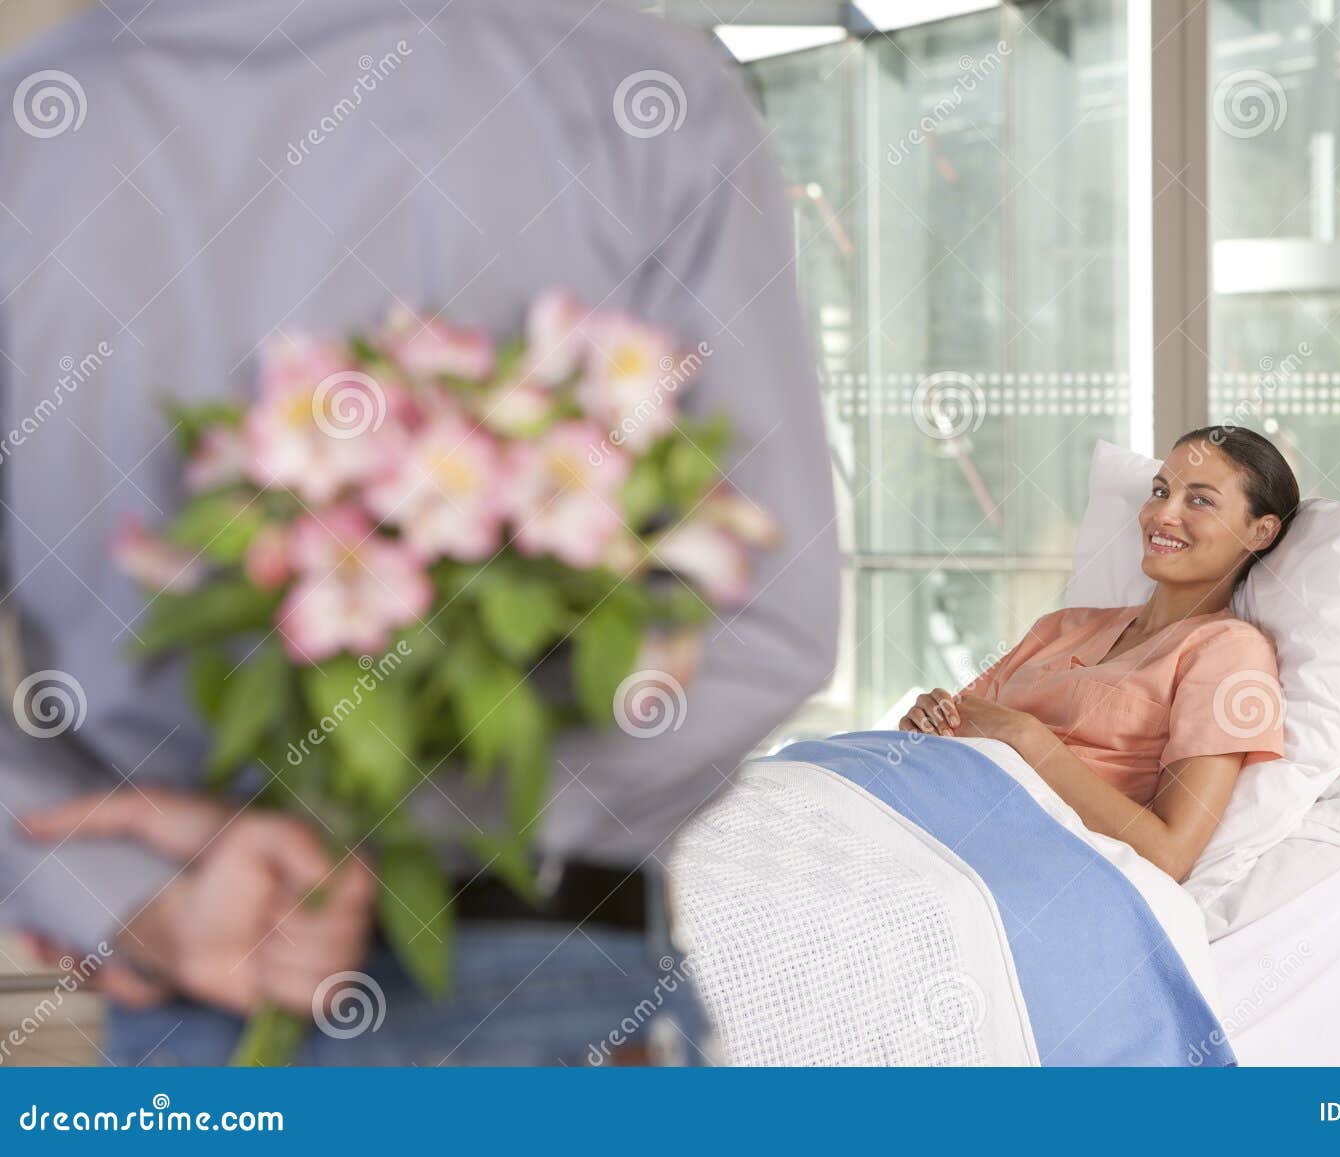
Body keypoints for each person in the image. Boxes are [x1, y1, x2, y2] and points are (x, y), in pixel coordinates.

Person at [0, 0, 838, 1064]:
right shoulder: (646, 91)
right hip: (556, 988)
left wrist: (135, 891)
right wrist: (452, 808)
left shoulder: (34, 128)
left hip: (205, 1004)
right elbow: (772, 617)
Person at [900, 425, 1298, 882]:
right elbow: (956, 725)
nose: (1163, 515)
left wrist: (1030, 739)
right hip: (916, 802)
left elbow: (1170, 854)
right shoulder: (1063, 626)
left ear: (1260, 531)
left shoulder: (1230, 652)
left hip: (1007, 856)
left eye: (1200, 500)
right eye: (1160, 491)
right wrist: (923, 722)